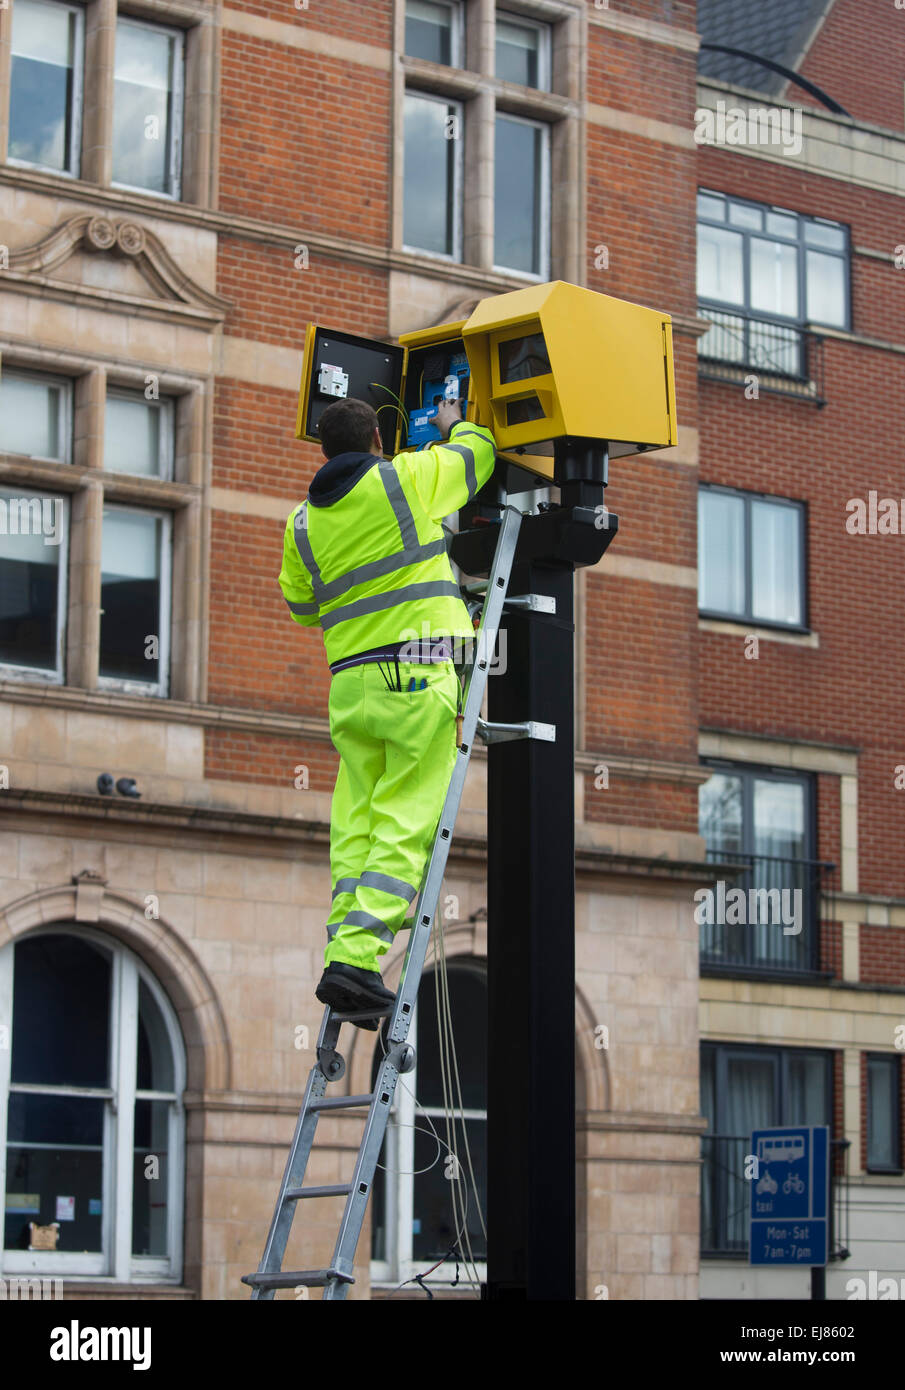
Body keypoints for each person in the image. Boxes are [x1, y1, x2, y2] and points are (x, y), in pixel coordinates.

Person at [279, 394, 496, 1027]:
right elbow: (476, 456)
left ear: (323, 449)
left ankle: (347, 954)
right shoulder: (404, 478)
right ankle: (358, 958)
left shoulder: (299, 524)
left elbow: (302, 607)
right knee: (403, 822)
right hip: (416, 674)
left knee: (356, 826)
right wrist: (453, 422)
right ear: (378, 435)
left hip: (352, 689)